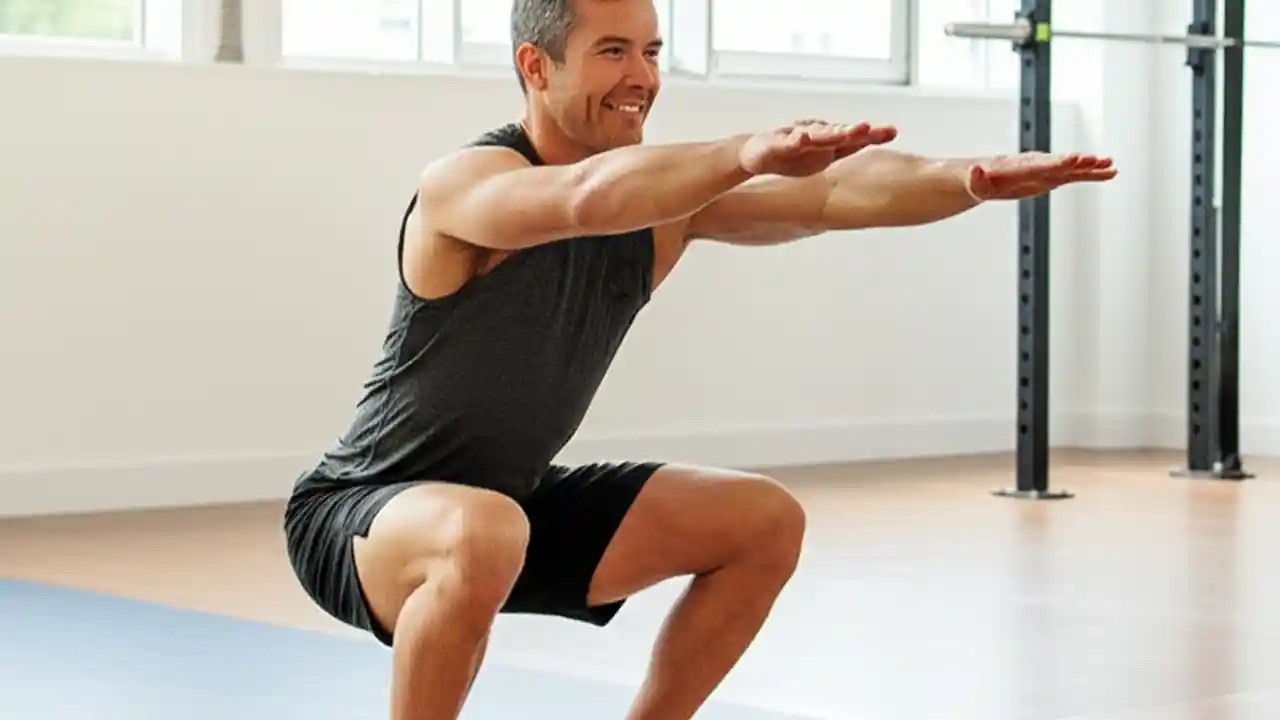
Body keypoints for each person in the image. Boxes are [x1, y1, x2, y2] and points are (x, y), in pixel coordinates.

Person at [282, 0, 1118, 718]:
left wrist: (966, 178)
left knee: (762, 521)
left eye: (650, 51)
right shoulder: (464, 185)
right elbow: (582, 200)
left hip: (510, 510)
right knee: (485, 529)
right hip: (363, 515)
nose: (640, 75)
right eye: (612, 51)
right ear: (535, 66)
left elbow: (830, 194)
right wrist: (746, 150)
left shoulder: (665, 206)